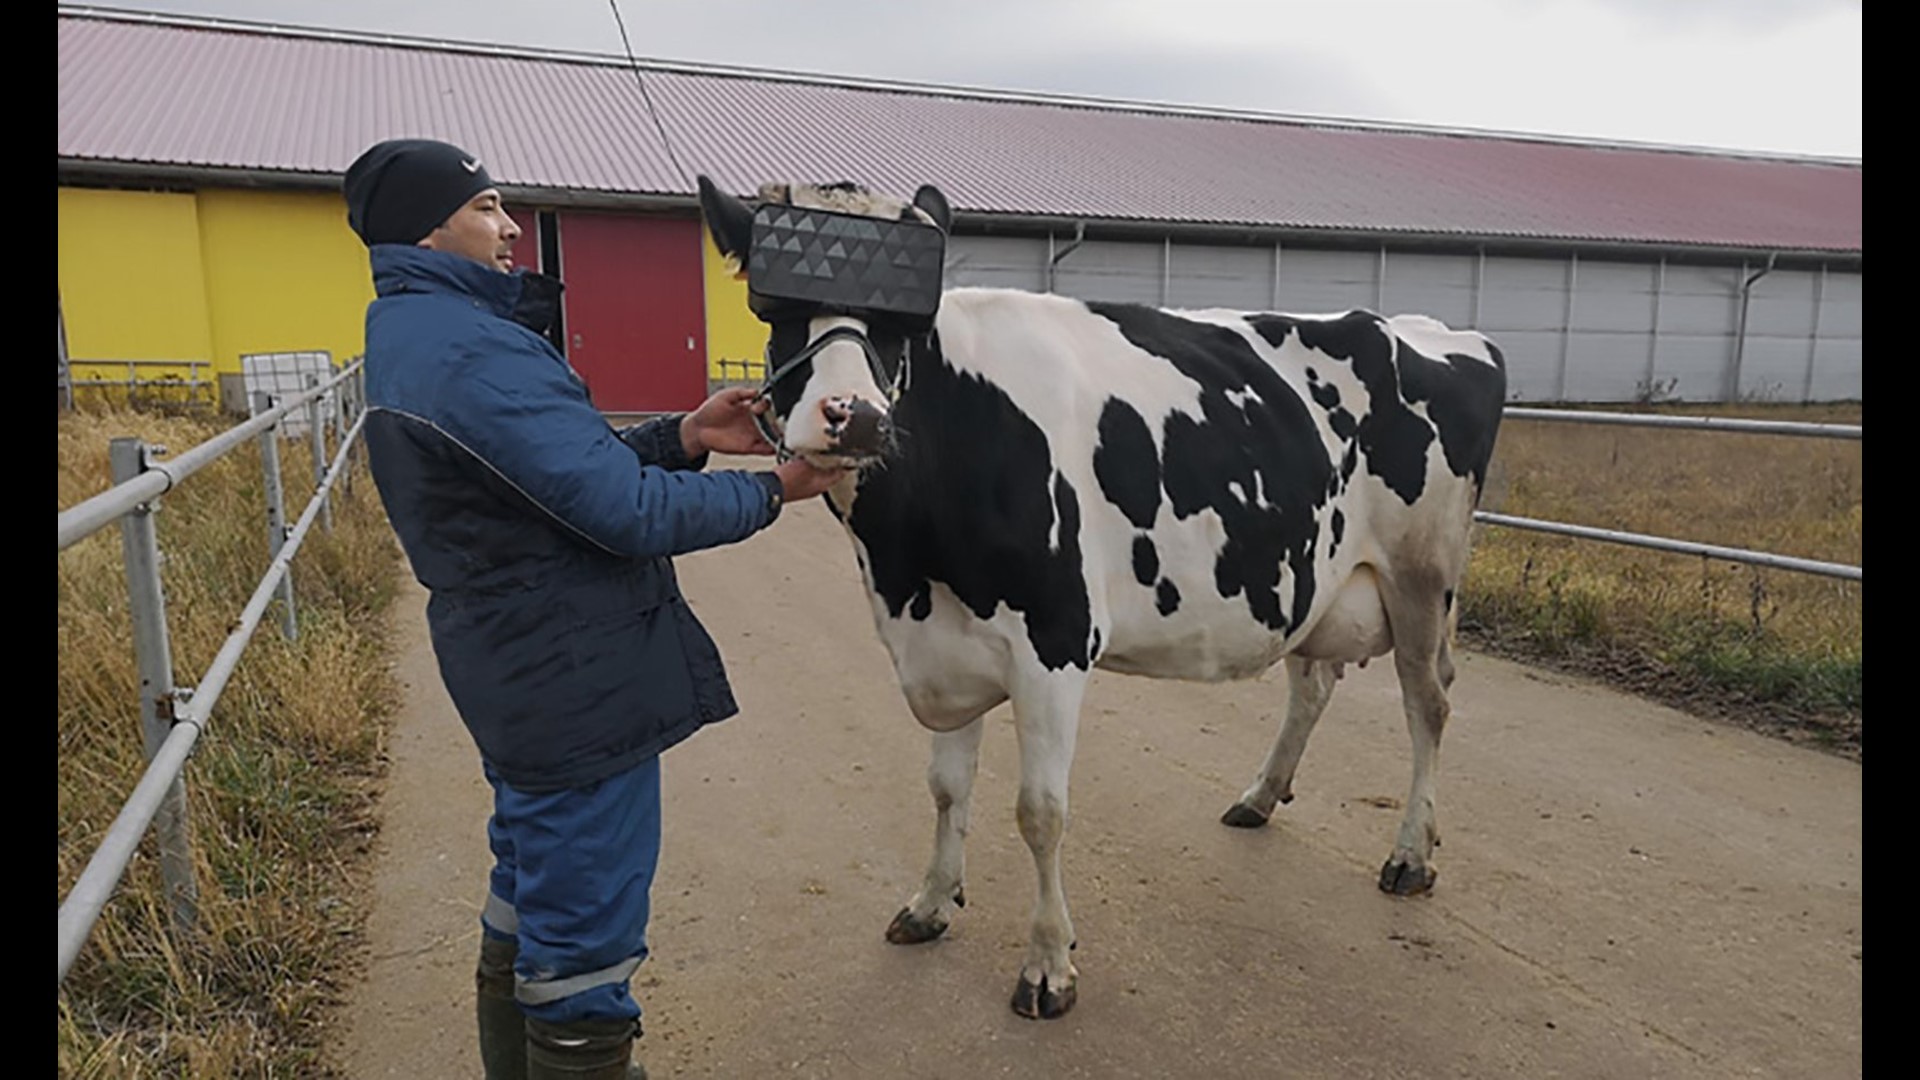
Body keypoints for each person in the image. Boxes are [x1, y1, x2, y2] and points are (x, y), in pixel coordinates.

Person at [342, 137, 844, 1080]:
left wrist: (685, 434)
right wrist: (776, 489)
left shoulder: (424, 333)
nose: (510, 225)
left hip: (521, 663)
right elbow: (624, 511)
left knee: (529, 895)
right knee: (584, 948)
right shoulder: (469, 349)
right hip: (568, 675)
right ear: (428, 225)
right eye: (487, 205)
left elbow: (558, 479)